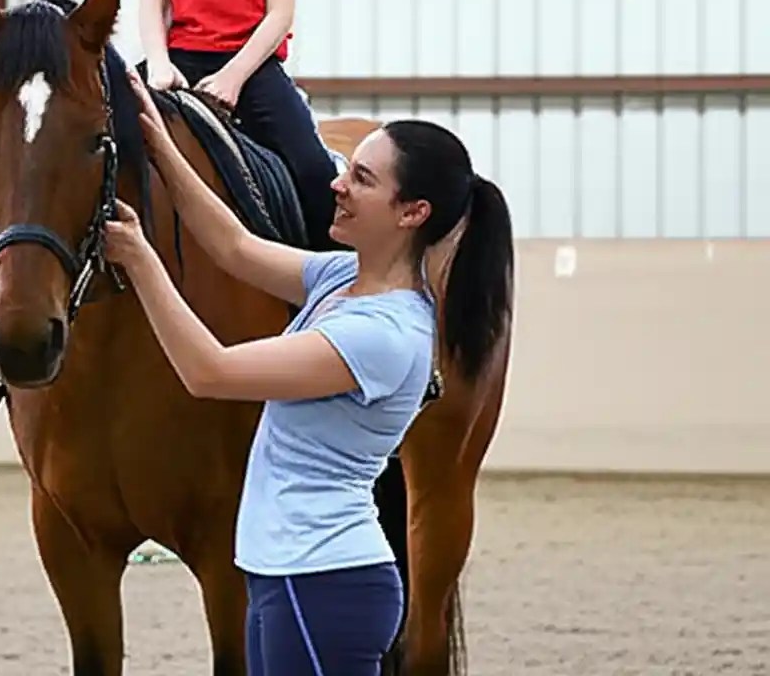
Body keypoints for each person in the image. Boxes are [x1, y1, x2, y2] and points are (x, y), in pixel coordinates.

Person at [107, 71, 514, 675]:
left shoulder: (383, 333)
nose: (337, 184)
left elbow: (209, 371)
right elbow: (235, 248)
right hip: (286, 572)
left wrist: (141, 261)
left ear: (412, 213)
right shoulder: (336, 279)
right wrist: (160, 143)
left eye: (361, 178)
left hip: (323, 580)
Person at [137, 0, 342, 252]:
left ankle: (335, 283)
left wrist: (233, 77)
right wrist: (159, 64)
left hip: (252, 65)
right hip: (175, 59)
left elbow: (280, 14)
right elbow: (151, 2)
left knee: (314, 170)